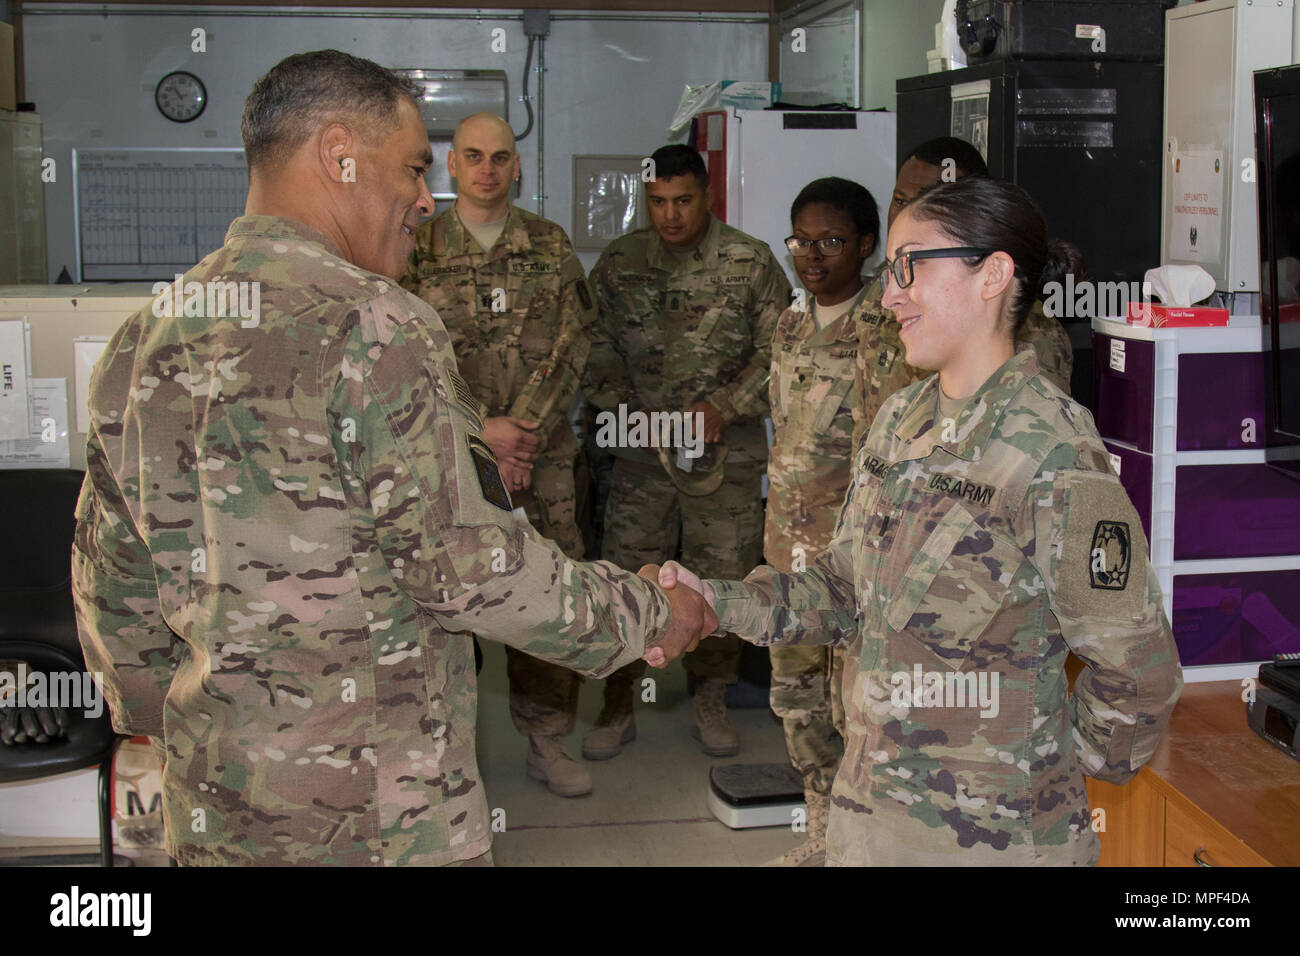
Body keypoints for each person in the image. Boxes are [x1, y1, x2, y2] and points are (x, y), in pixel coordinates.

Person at [70, 50, 713, 867]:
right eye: (413, 168)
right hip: (382, 818)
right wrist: (654, 615)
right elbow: (473, 572)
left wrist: (180, 725)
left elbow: (113, 591)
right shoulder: (375, 324)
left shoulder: (145, 335)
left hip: (219, 805)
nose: (424, 198)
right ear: (339, 153)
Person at [651, 176, 1183, 865]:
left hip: (992, 843)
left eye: (910, 266)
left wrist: (1041, 765)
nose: (888, 292)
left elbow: (1137, 669)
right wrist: (714, 604)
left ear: (992, 274)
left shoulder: (1052, 451)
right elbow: (841, 587)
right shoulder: (903, 419)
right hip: (867, 821)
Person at [399, 113, 598, 799]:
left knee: (547, 599)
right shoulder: (414, 247)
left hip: (541, 462)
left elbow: (576, 341)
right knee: (445, 600)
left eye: (501, 158)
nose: (487, 169)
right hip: (446, 463)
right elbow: (403, 356)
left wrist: (524, 432)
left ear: (518, 167)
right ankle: (446, 757)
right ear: (450, 167)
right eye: (473, 157)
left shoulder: (549, 244)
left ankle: (548, 743)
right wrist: (483, 432)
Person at [580, 145, 791, 759]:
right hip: (643, 462)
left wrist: (724, 406)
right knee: (626, 575)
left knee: (721, 577)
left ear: (707, 196)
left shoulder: (748, 261)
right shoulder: (620, 264)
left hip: (723, 461)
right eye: (657, 203)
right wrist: (627, 412)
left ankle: (710, 700)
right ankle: (619, 704)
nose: (670, 215)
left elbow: (779, 351)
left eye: (683, 201)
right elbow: (591, 346)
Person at [763, 176, 879, 865]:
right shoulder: (789, 321)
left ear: (866, 246)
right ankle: (819, 836)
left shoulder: (886, 332)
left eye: (831, 241)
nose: (812, 255)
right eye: (801, 240)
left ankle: (856, 847)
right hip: (788, 556)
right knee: (797, 706)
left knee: (853, 715)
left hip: (850, 568)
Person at [853, 136, 1074, 449]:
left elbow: (1028, 433)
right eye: (900, 200)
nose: (912, 212)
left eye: (934, 199)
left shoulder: (1028, 327)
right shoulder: (885, 292)